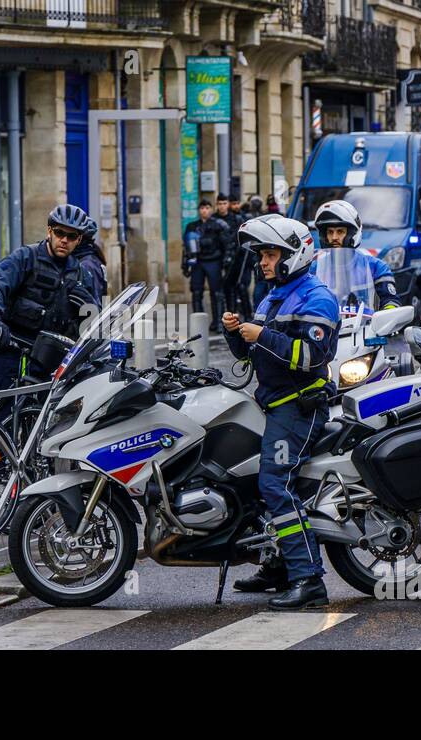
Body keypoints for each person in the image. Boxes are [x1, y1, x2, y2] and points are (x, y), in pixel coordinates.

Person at [224, 214, 339, 609]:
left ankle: (308, 579)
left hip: (298, 409)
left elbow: (311, 356)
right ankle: (278, 567)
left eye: (270, 254)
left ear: (294, 254)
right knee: (254, 481)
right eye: (261, 256)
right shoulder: (273, 294)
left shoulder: (317, 297)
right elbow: (254, 351)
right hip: (271, 403)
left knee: (276, 483)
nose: (263, 262)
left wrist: (263, 334)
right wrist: (236, 331)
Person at [0, 204, 96, 394]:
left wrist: (89, 308)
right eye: (59, 233)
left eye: (72, 236)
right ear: (49, 231)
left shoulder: (83, 275)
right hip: (13, 351)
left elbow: (95, 324)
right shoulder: (25, 257)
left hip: (51, 359)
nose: (64, 240)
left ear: (79, 239)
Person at [312, 200, 398, 311]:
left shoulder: (375, 266)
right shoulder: (314, 268)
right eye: (330, 232)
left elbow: (390, 301)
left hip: (365, 327)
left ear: (352, 234)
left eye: (340, 232)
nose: (334, 237)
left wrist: (387, 315)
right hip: (326, 327)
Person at [182, 199, 230, 331]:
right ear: (199, 210)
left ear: (211, 209)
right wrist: (185, 264)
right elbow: (186, 248)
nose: (205, 210)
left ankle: (218, 322)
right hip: (197, 262)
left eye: (207, 208)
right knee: (196, 292)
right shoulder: (192, 226)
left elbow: (226, 244)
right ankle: (199, 324)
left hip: (214, 261)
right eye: (202, 208)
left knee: (217, 293)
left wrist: (226, 261)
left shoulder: (217, 225)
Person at [73, 215, 108, 302]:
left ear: (80, 239)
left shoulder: (87, 264)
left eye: (71, 236)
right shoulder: (86, 258)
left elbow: (94, 301)